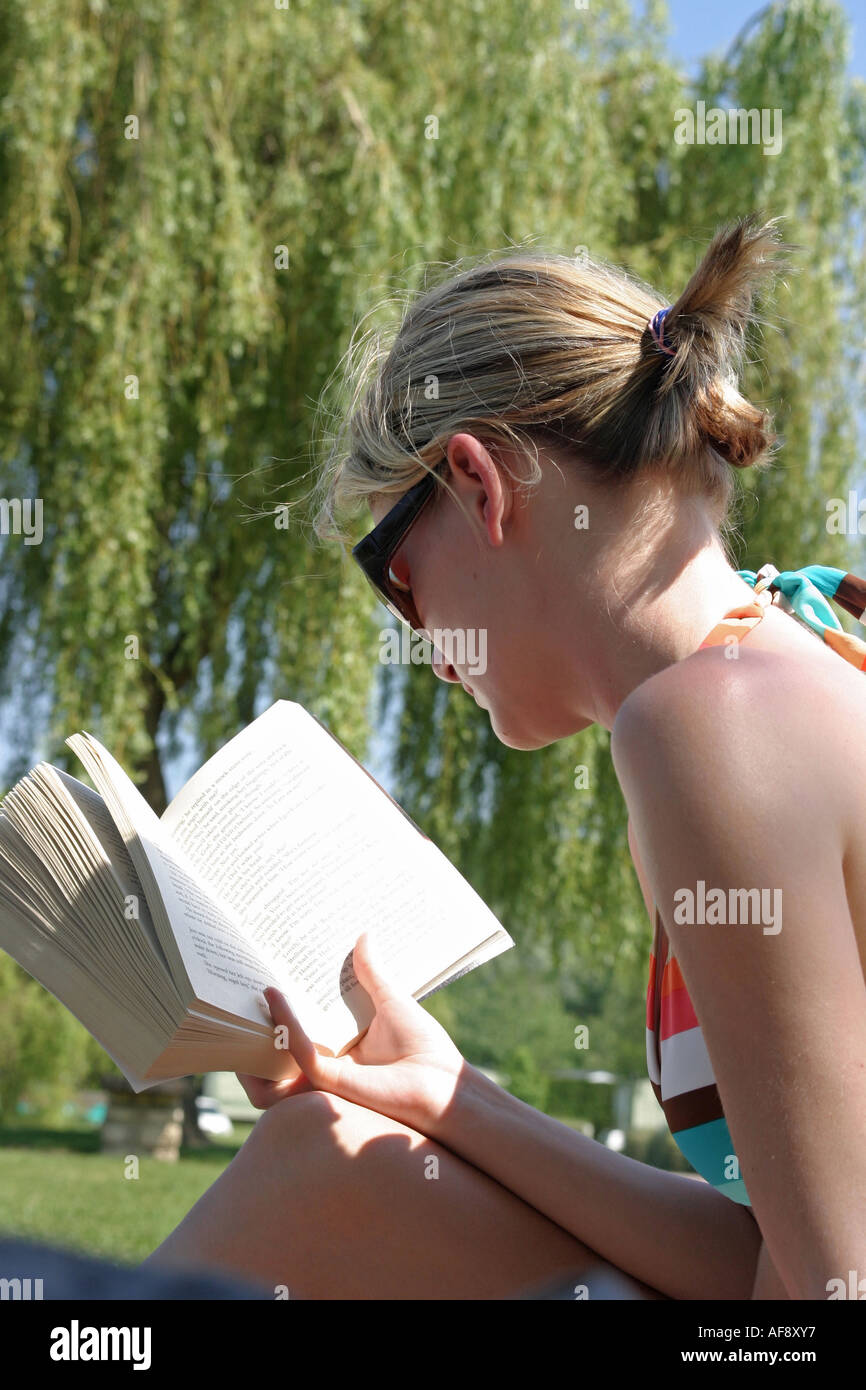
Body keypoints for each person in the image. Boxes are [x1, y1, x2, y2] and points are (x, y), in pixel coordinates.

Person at [141, 215, 866, 1300]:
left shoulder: (705, 725)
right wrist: (447, 1097)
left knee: (303, 1193)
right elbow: (782, 1254)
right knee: (318, 1159)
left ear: (479, 484)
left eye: (390, 572)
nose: (422, 645)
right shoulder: (787, 655)